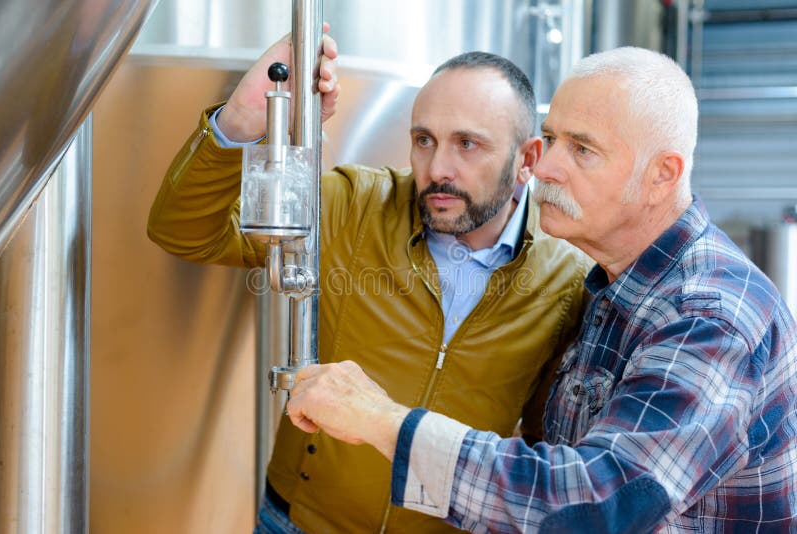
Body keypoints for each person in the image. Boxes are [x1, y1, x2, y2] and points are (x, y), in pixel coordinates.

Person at [285, 46, 797, 532]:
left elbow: (592, 508)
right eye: (551, 139)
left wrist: (382, 420)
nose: (545, 169)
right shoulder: (613, 284)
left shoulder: (710, 317)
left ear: (662, 175)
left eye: (582, 149)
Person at [147, 29, 591, 533]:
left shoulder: (567, 276)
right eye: (424, 140)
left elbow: (544, 439)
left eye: (467, 144)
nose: (437, 168)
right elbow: (185, 232)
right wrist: (242, 122)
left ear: (527, 160)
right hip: (300, 522)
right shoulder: (354, 205)